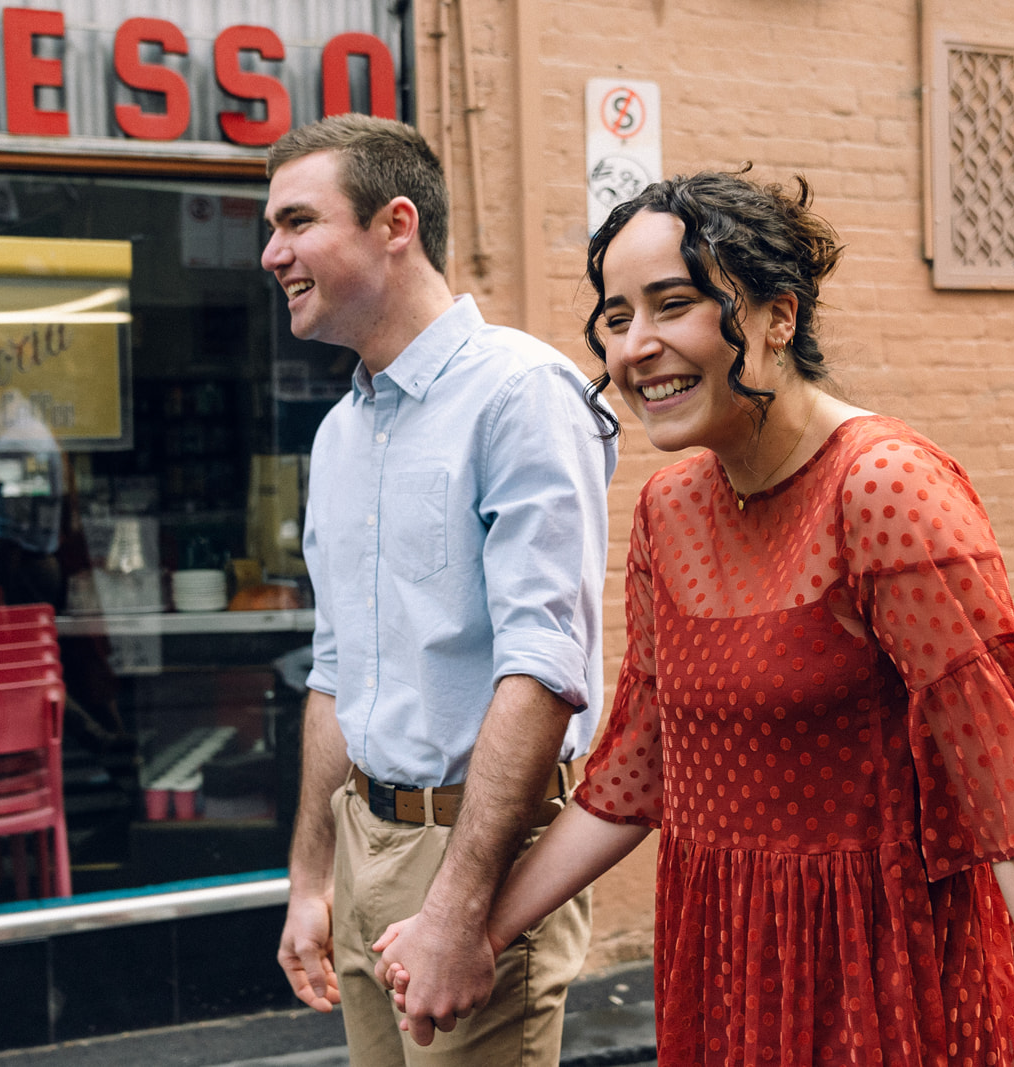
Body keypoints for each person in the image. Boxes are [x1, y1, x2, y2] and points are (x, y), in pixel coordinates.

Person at [377, 168, 1014, 1066]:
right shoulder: (669, 510)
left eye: (674, 304)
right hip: (724, 970)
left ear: (777, 317)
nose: (637, 346)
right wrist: (471, 929)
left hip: (878, 978)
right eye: (619, 316)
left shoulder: (885, 490)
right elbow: (640, 769)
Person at [262, 114, 617, 1066]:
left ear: (396, 224)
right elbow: (335, 670)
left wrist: (462, 910)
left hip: (475, 849)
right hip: (361, 836)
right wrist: (311, 876)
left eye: (297, 221)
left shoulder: (521, 395)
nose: (271, 253)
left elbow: (544, 669)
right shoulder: (341, 432)